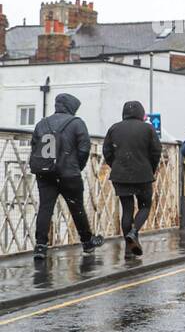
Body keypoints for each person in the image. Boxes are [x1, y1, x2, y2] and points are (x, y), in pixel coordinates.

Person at [28, 92, 102, 261]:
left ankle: (40, 246)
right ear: (71, 107)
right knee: (77, 208)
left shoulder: (42, 124)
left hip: (45, 173)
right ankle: (87, 242)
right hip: (69, 174)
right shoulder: (77, 123)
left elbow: (34, 147)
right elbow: (84, 149)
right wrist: (77, 166)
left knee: (45, 208)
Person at [102, 100, 162, 256]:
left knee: (127, 210)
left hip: (121, 175)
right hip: (143, 174)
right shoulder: (148, 129)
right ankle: (134, 232)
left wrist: (115, 165)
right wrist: (151, 168)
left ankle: (129, 251)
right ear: (141, 113)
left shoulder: (114, 129)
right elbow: (156, 152)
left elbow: (107, 151)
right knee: (145, 206)